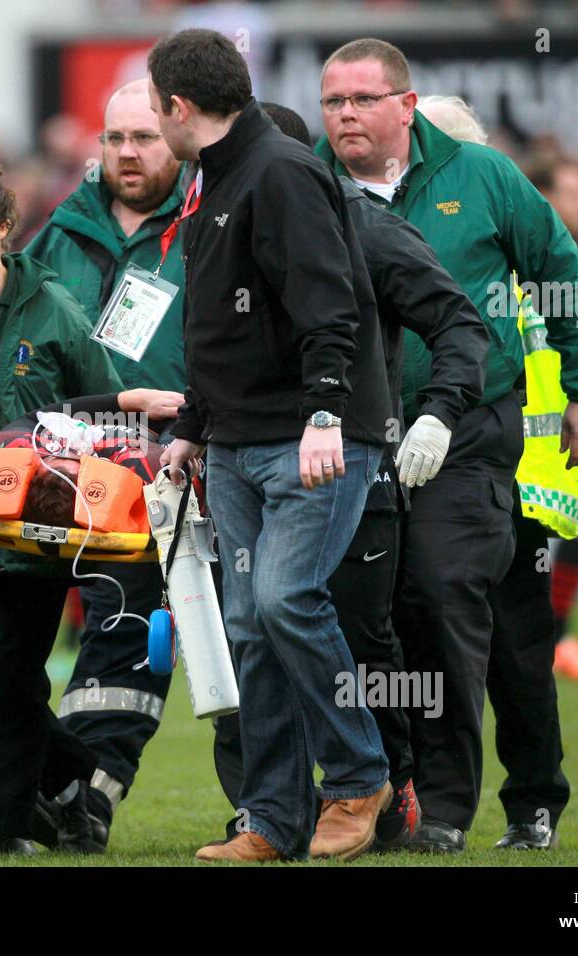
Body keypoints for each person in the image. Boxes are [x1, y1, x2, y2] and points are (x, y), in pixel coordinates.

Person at [314, 39, 578, 853]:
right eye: (333, 102)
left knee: (446, 593)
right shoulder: (301, 180)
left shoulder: (483, 179)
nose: (345, 115)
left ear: (405, 107)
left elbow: (565, 274)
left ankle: (456, 806)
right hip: (347, 440)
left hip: (471, 431)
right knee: (359, 623)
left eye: (363, 101)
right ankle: (386, 792)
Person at [207, 101, 490, 851]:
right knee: (257, 628)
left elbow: (460, 322)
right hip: (256, 453)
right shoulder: (225, 227)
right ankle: (270, 813)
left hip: (355, 469)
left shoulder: (362, 227)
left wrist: (439, 412)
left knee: (358, 640)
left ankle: (392, 796)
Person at [151, 29, 395, 863]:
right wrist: (190, 430)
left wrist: (326, 413)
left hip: (310, 437)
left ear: (179, 107)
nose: (157, 123)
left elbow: (331, 302)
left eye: (156, 110)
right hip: (239, 440)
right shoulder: (214, 177)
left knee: (288, 599)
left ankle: (360, 776)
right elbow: (217, 323)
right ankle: (272, 821)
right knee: (251, 628)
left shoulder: (281, 170)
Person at [417, 96, 578, 848]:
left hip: (522, 481)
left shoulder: (528, 246)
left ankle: (528, 806)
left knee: (512, 652)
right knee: (427, 649)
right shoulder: (408, 241)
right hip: (436, 471)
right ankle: (427, 802)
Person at [0, 156, 182, 856]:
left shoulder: (55, 308)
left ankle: (0, 831)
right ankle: (74, 785)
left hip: (41, 531)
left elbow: (107, 408)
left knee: (10, 680)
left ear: (4, 229)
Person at [24, 78, 187, 846]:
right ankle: (62, 792)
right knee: (26, 637)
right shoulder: (60, 232)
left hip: (183, 461)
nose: (127, 153)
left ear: (177, 135)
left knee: (133, 627)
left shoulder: (209, 221)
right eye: (115, 138)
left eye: (145, 138)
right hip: (64, 460)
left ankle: (85, 796)